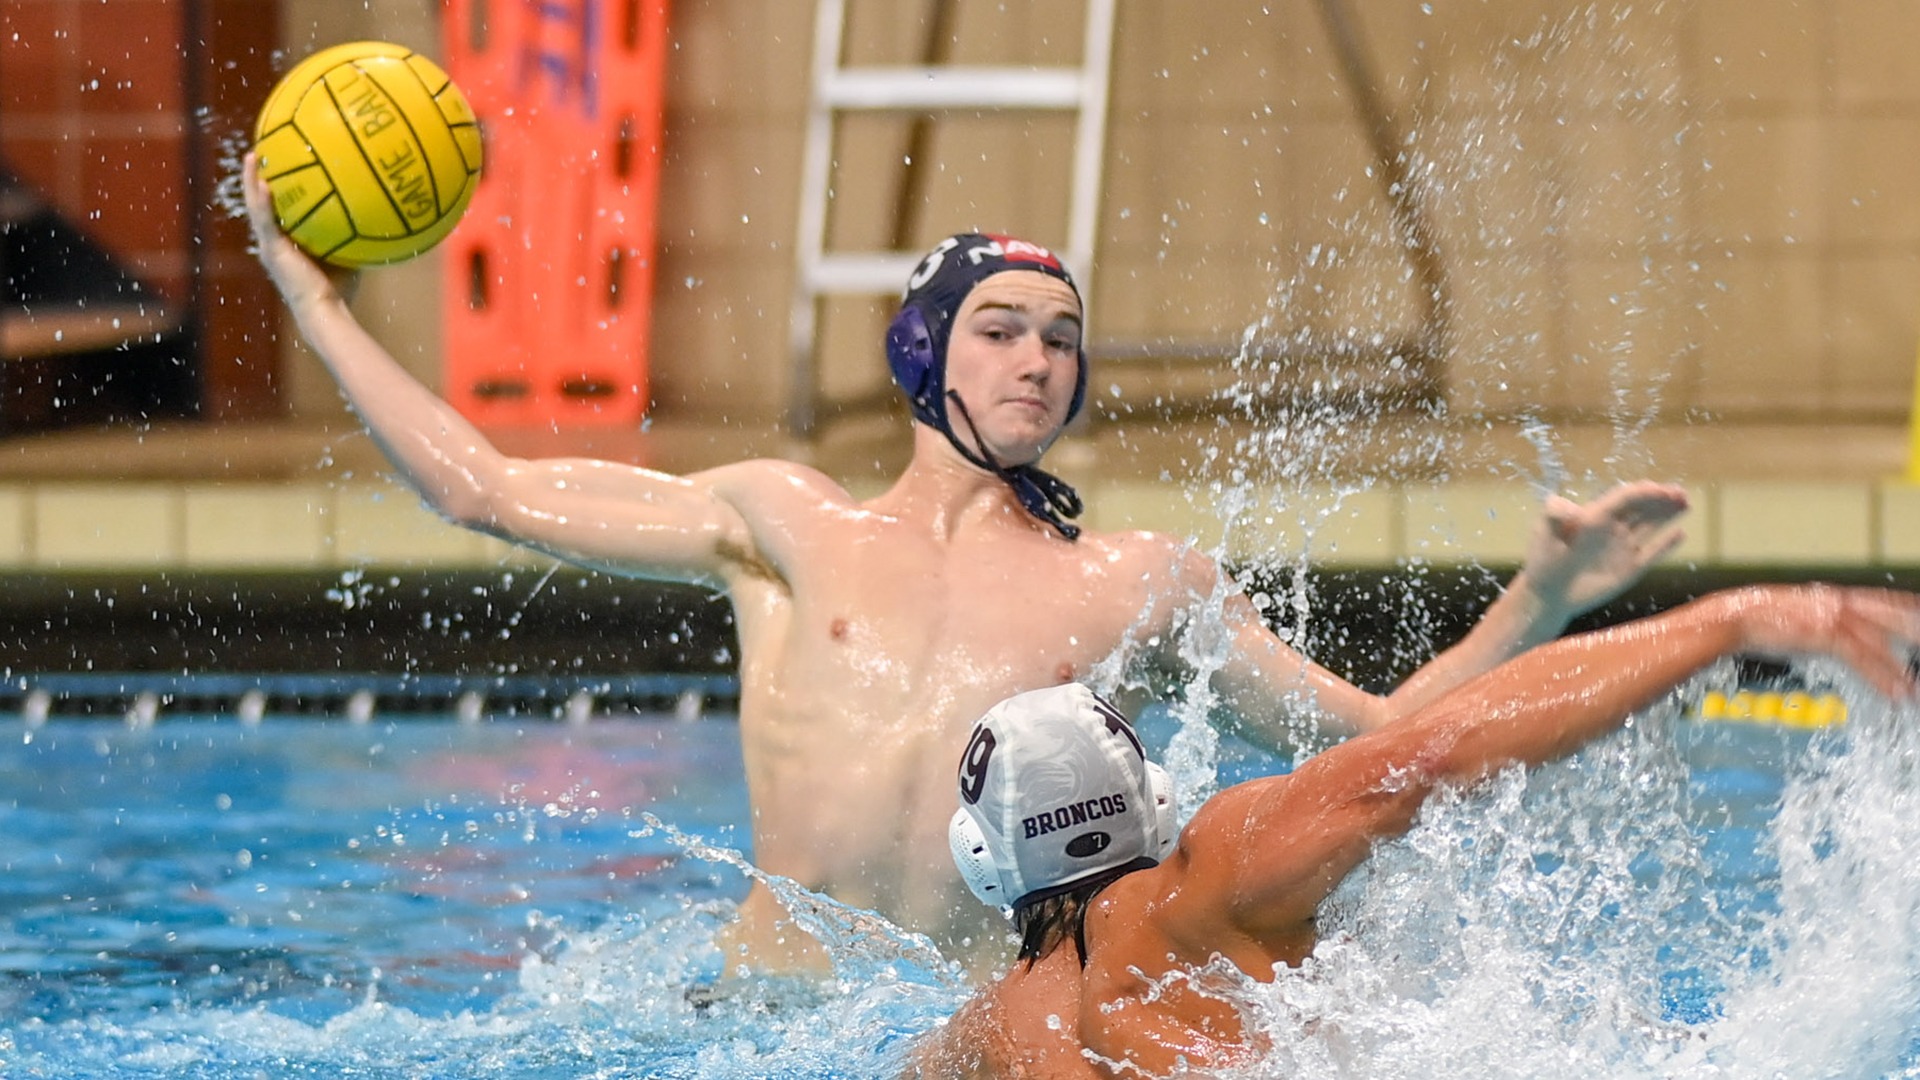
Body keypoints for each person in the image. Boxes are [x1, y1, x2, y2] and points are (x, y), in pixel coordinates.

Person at [244, 153, 1687, 972]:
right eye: (1002, 328)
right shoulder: (784, 523)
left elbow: (1369, 739)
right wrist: (309, 296)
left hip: (946, 1041)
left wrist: (1542, 594)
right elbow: (480, 486)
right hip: (758, 1030)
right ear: (928, 353)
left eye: (1062, 340)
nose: (1040, 359)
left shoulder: (1136, 580)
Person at [915, 584, 1920, 1077]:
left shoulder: (977, 1042)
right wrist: (1730, 623)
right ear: (1156, 802)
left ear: (982, 860)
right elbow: (1422, 760)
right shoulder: (1209, 880)